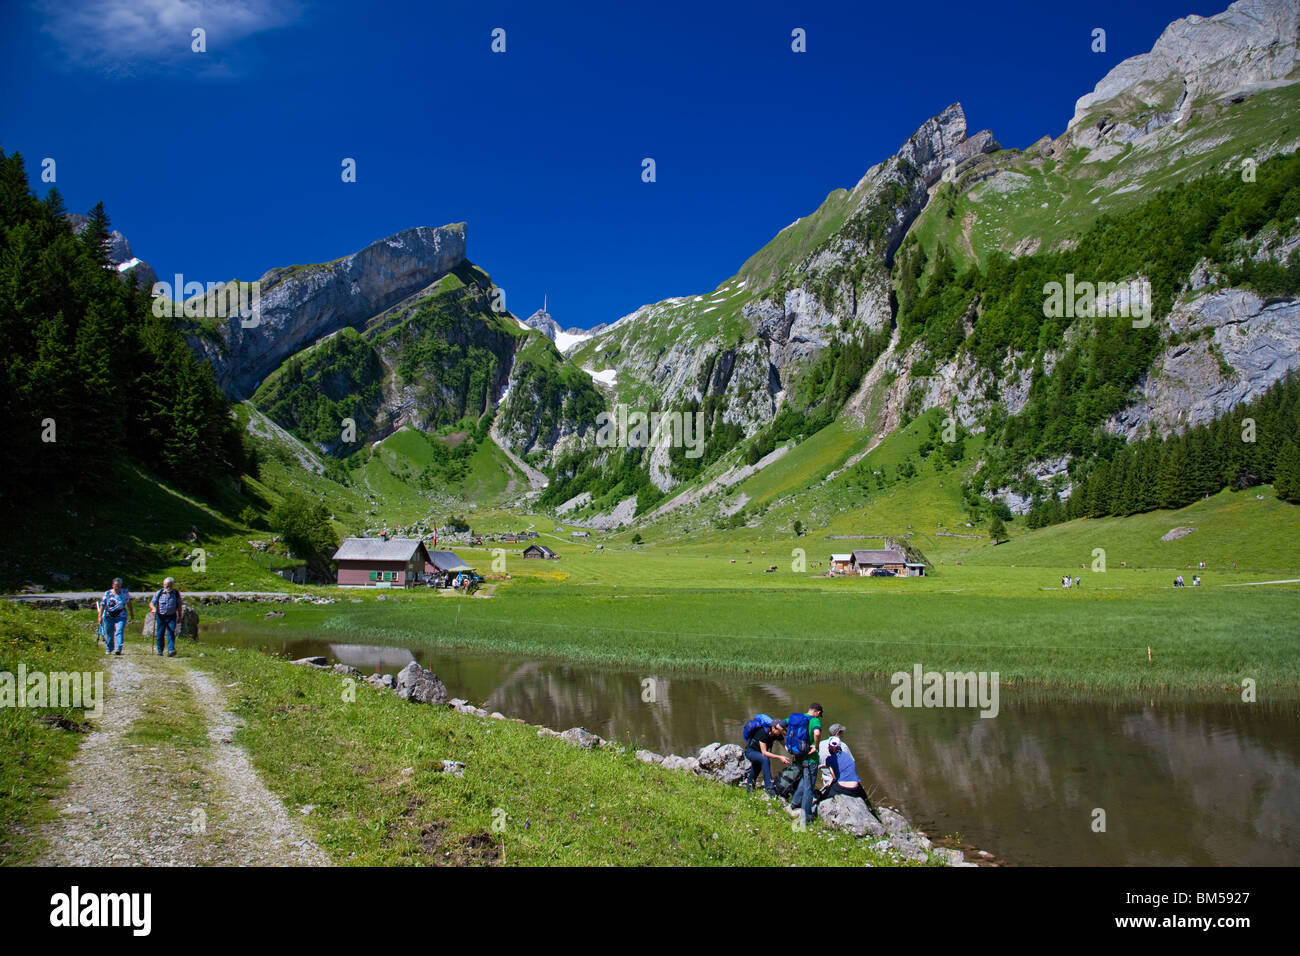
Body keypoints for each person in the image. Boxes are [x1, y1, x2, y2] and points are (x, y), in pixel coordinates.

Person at [789, 702, 824, 826]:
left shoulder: (797, 717)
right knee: (809, 787)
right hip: (811, 759)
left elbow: (781, 725)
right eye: (819, 715)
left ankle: (794, 804)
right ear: (818, 713)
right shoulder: (815, 720)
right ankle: (805, 818)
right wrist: (816, 745)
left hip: (798, 756)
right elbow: (817, 733)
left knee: (804, 779)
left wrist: (789, 744)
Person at [817, 735, 869, 805]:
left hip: (843, 789)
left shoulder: (829, 759)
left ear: (829, 747)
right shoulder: (848, 757)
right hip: (856, 789)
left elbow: (834, 777)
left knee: (826, 795)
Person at [744, 718, 788, 794]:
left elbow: (785, 746)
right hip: (751, 752)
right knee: (764, 759)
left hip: (759, 754)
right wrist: (780, 757)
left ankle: (749, 791)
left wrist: (794, 753)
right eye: (779, 730)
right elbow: (764, 752)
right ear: (773, 728)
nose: (780, 732)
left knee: (755, 770)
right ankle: (769, 788)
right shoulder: (763, 732)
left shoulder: (777, 735)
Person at [97, 578, 133, 656]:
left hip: (121, 616)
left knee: (119, 631)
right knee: (109, 632)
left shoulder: (124, 593)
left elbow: (129, 603)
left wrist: (131, 613)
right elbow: (103, 605)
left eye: (119, 586)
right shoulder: (108, 593)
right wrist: (100, 616)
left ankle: (118, 649)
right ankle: (109, 649)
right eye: (116, 586)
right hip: (108, 616)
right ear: (113, 585)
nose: (118, 587)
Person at [149, 577, 183, 657]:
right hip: (160, 616)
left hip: (172, 616)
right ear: (163, 585)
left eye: (170, 586)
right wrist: (153, 609)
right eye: (167, 586)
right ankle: (160, 651)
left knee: (171, 632)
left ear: (173, 585)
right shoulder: (159, 593)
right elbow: (151, 603)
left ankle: (171, 650)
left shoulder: (176, 593)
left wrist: (180, 616)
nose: (168, 587)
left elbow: (179, 606)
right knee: (160, 634)